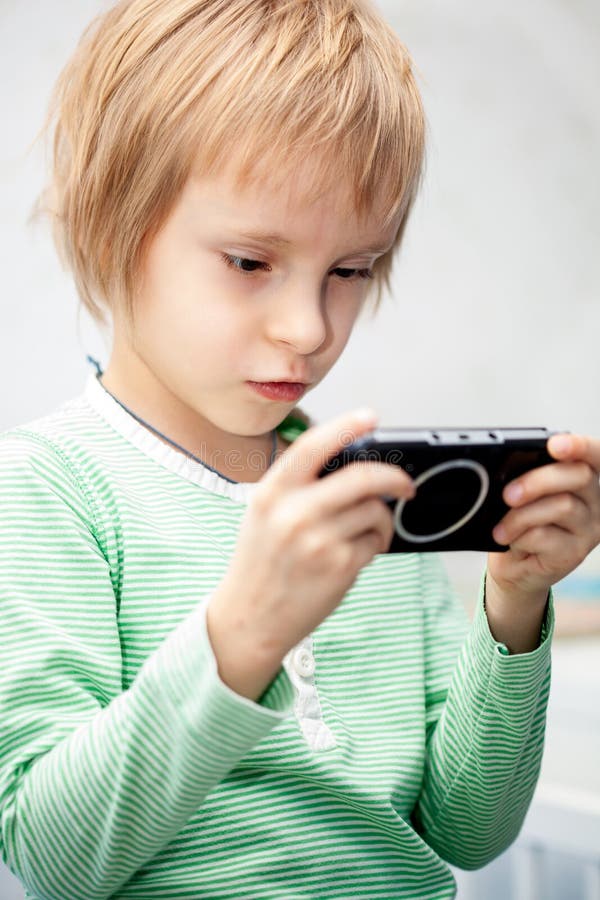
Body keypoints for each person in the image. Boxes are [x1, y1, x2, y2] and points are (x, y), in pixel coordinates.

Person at [1, 1, 599, 898]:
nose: (308, 328)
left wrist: (513, 607)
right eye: (249, 262)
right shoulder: (48, 492)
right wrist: (245, 633)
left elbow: (468, 831)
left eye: (351, 270)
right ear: (107, 225)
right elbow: (55, 860)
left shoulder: (369, 494)